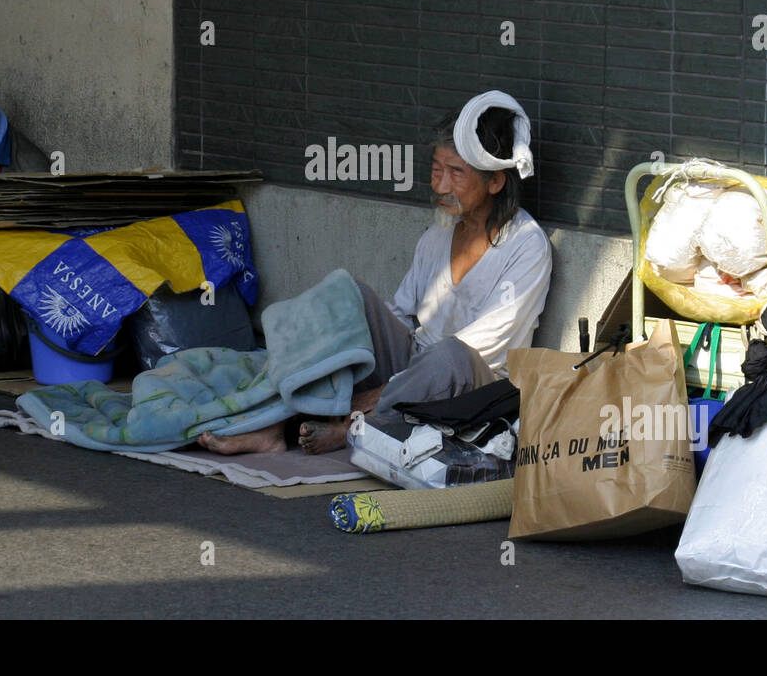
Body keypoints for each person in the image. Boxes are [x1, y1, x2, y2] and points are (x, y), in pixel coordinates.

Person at [199, 89, 553, 455]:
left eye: (455, 174)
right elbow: (401, 312)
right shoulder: (439, 234)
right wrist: (360, 346)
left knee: (450, 356)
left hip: (473, 386)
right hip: (414, 367)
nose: (440, 186)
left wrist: (381, 391)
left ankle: (352, 427)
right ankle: (274, 423)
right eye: (436, 170)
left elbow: (478, 349)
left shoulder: (527, 246)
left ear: (495, 182)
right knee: (348, 293)